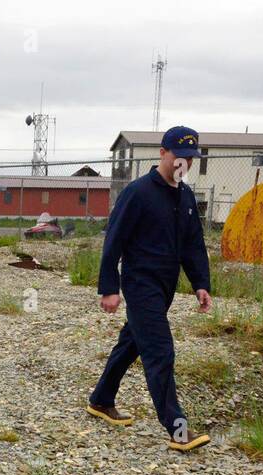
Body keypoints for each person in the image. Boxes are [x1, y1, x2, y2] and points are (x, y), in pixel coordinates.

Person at [87, 126, 213, 452]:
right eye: (178, 157)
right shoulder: (138, 193)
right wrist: (109, 287)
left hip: (165, 286)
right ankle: (178, 429)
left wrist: (201, 283)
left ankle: (101, 400)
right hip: (140, 284)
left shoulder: (185, 196)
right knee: (160, 351)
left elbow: (193, 245)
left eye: (190, 159)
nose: (183, 164)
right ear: (162, 153)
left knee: (131, 344)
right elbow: (113, 242)